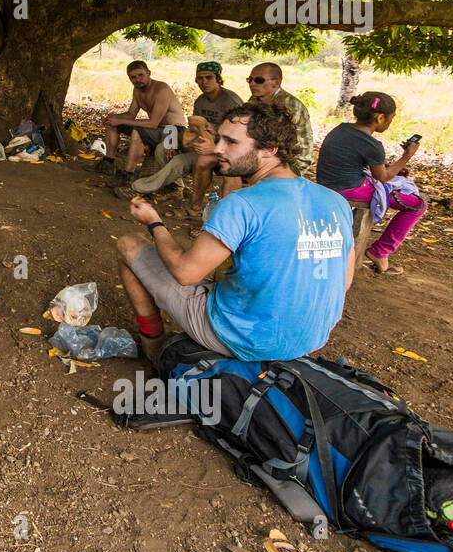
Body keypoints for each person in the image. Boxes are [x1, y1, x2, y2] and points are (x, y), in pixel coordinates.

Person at [115, 103, 355, 369]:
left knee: (128, 245)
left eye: (230, 142)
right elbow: (343, 282)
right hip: (309, 338)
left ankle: (154, 347)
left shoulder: (243, 203)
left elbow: (185, 273)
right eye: (219, 138)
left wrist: (154, 222)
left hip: (243, 338)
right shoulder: (337, 202)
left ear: (269, 149)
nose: (218, 149)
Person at [316, 92, 426, 275]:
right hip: (348, 189)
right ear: (380, 117)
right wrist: (406, 157)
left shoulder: (340, 129)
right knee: (417, 205)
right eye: (391, 119)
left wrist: (393, 167)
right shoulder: (372, 144)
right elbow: (382, 177)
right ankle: (380, 252)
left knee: (396, 182)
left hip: (326, 184)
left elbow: (353, 158)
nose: (390, 123)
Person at [101, 61, 187, 182]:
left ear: (148, 73)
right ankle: (108, 163)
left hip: (173, 131)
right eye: (133, 77)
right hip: (156, 128)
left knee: (138, 132)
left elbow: (153, 123)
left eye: (140, 75)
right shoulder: (137, 90)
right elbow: (131, 114)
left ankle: (128, 175)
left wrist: (119, 120)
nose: (137, 80)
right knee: (113, 125)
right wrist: (114, 118)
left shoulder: (161, 89)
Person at [111, 115, 212, 200]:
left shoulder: (226, 103)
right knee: (162, 148)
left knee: (178, 161)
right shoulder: (200, 101)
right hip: (196, 146)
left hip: (214, 152)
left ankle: (139, 188)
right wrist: (175, 141)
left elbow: (153, 123)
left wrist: (213, 148)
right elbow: (191, 131)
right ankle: (176, 188)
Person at [189, 61, 243, 215]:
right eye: (200, 78)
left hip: (234, 149)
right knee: (202, 161)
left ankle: (225, 216)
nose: (204, 81)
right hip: (211, 146)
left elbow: (240, 134)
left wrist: (216, 140)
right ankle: (195, 207)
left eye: (209, 77)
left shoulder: (230, 100)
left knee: (231, 170)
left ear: (218, 79)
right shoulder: (201, 100)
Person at [245, 62, 313, 176]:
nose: (252, 84)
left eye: (259, 80)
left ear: (276, 83)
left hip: (292, 162)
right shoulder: (255, 100)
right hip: (268, 156)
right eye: (249, 79)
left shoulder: (289, 105)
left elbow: (279, 142)